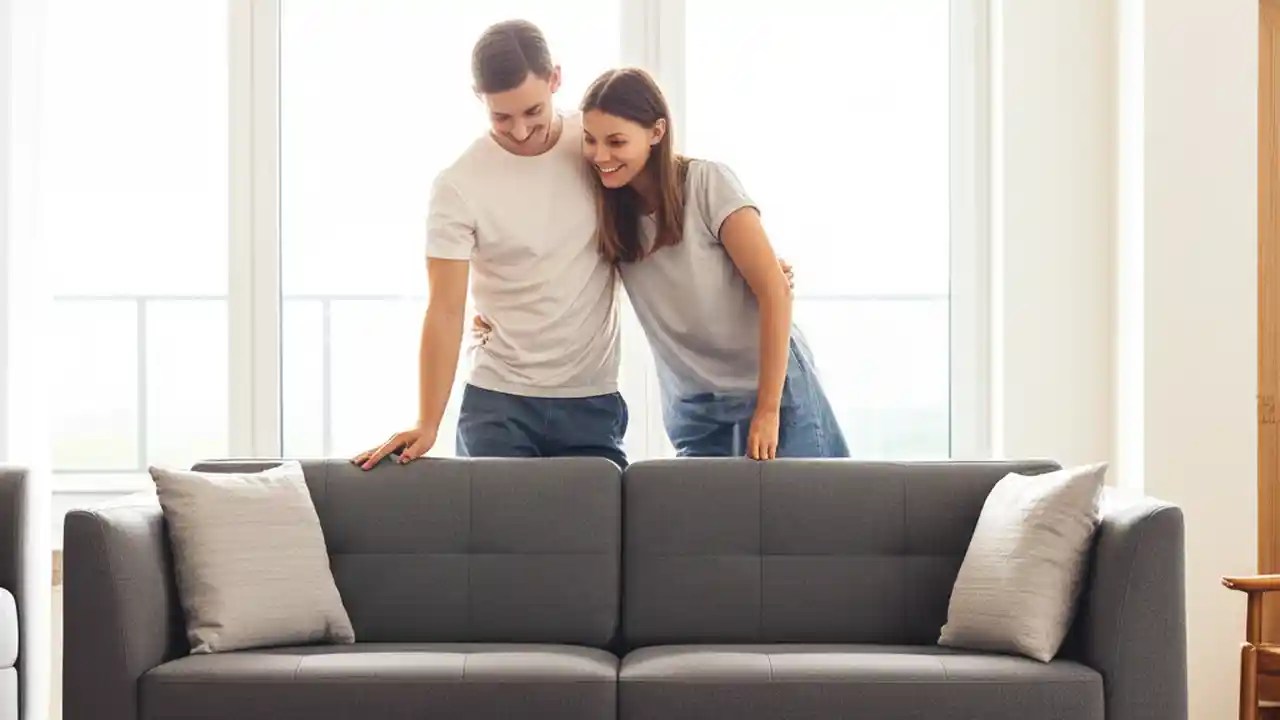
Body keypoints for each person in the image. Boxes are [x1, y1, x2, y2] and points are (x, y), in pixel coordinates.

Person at [353, 19, 629, 470]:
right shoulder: (459, 185)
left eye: (533, 112)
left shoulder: (597, 147)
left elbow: (668, 200)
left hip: (591, 399)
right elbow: (444, 308)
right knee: (499, 540)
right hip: (498, 403)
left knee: (590, 540)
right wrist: (427, 422)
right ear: (478, 98)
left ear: (556, 79)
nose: (520, 131)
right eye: (501, 117)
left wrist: (738, 249)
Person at [577, 67, 849, 459]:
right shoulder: (607, 208)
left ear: (656, 132)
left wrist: (768, 411)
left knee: (805, 515)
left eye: (616, 141)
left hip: (773, 393)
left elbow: (775, 292)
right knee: (711, 520)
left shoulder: (707, 184)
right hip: (697, 408)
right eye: (590, 140)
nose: (600, 156)